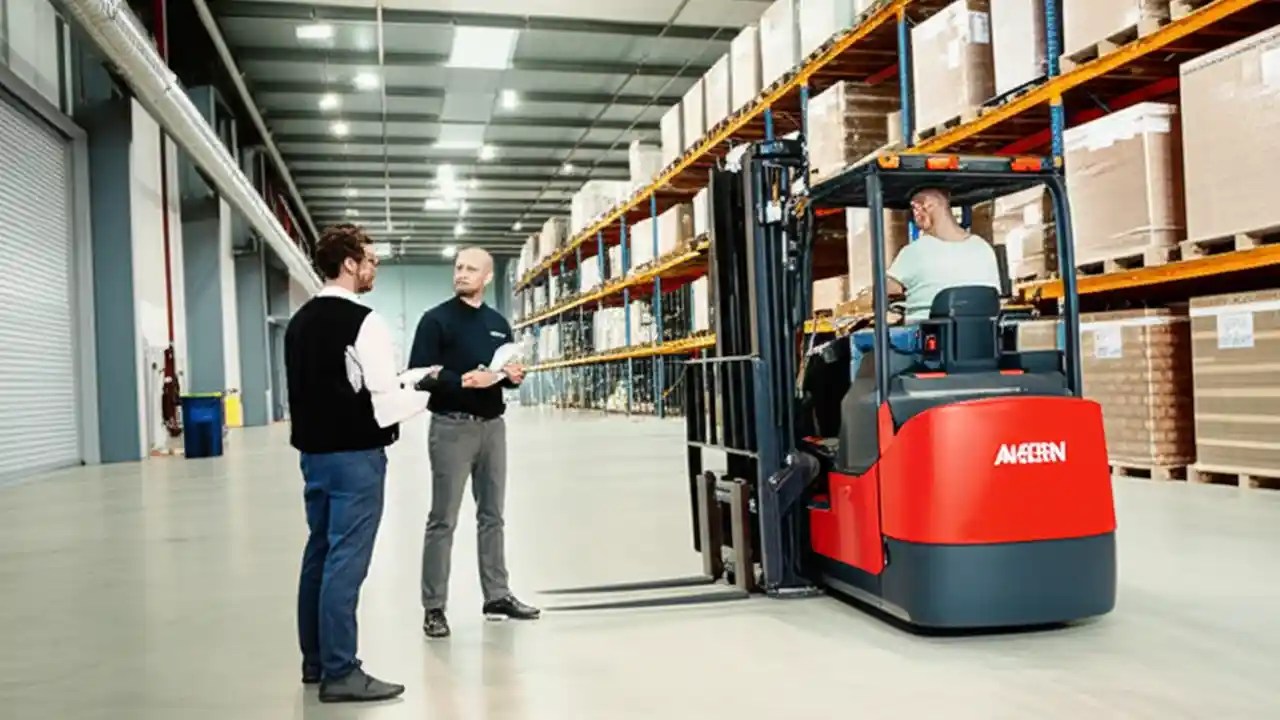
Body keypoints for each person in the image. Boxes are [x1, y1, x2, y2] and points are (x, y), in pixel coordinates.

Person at [286, 224, 441, 703]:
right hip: (355, 458)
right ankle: (341, 672)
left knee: (319, 554)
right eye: (370, 260)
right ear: (350, 264)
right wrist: (432, 392)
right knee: (346, 562)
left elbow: (339, 385)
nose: (374, 268)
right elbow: (383, 405)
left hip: (315, 457)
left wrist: (406, 380)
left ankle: (315, 661)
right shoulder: (364, 320)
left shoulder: (300, 321)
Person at [408, 246, 538, 640]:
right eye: (458, 267)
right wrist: (465, 380)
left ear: (487, 277)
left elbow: (504, 374)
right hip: (452, 428)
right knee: (443, 519)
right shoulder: (435, 320)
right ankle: (434, 607)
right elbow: (419, 375)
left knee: (493, 516)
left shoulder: (498, 324)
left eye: (470, 269)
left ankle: (496, 595)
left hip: (493, 428)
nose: (462, 273)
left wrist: (512, 376)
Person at [846, 188, 1003, 378]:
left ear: (924, 207)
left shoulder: (915, 251)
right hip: (980, 338)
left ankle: (861, 396)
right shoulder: (983, 248)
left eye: (914, 209)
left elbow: (881, 293)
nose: (915, 216)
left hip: (926, 338)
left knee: (858, 341)